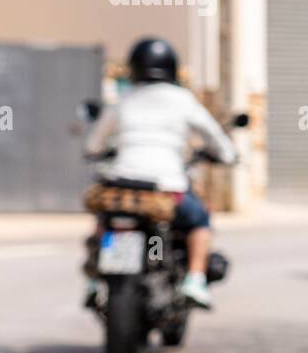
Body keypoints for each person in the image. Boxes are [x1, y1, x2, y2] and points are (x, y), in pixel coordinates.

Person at [84, 37, 238, 309]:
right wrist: (228, 154)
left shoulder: (125, 99)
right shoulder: (182, 100)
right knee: (200, 220)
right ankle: (195, 279)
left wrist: (95, 151)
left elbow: (95, 141)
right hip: (167, 189)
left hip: (123, 186)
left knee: (105, 218)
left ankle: (95, 280)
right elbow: (213, 134)